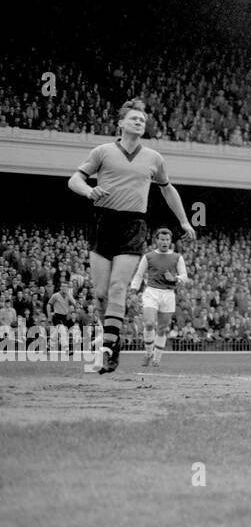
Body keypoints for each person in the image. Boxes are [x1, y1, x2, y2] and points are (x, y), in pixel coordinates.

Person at [67, 98, 196, 373]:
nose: (139, 122)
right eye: (134, 118)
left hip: (133, 224)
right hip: (103, 221)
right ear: (121, 123)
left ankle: (109, 349)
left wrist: (184, 221)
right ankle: (113, 341)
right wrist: (89, 191)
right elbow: (74, 179)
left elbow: (167, 189)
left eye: (142, 120)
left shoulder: (154, 158)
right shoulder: (102, 151)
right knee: (101, 294)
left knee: (117, 288)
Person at [129, 228, 188, 367]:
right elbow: (138, 275)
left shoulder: (177, 257)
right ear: (157, 240)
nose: (165, 242)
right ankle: (148, 354)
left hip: (168, 294)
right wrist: (133, 291)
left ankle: (157, 359)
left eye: (167, 240)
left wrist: (175, 278)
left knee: (162, 328)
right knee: (149, 323)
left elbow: (185, 277)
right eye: (162, 239)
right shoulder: (148, 256)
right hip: (151, 292)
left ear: (170, 241)